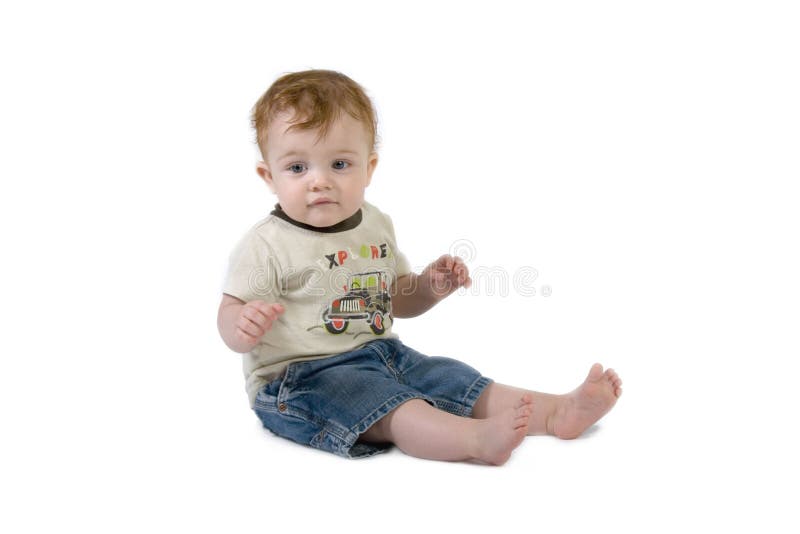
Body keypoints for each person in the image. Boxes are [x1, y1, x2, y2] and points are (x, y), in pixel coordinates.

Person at [217, 70, 622, 465]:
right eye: (297, 168)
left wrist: (430, 286)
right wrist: (241, 324)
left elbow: (395, 300)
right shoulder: (267, 245)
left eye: (339, 165)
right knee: (389, 403)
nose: (319, 181)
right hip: (300, 379)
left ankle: (557, 412)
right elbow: (229, 312)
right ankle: (474, 440)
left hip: (382, 352)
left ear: (369, 168)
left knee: (448, 376)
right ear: (268, 176)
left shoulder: (375, 224)